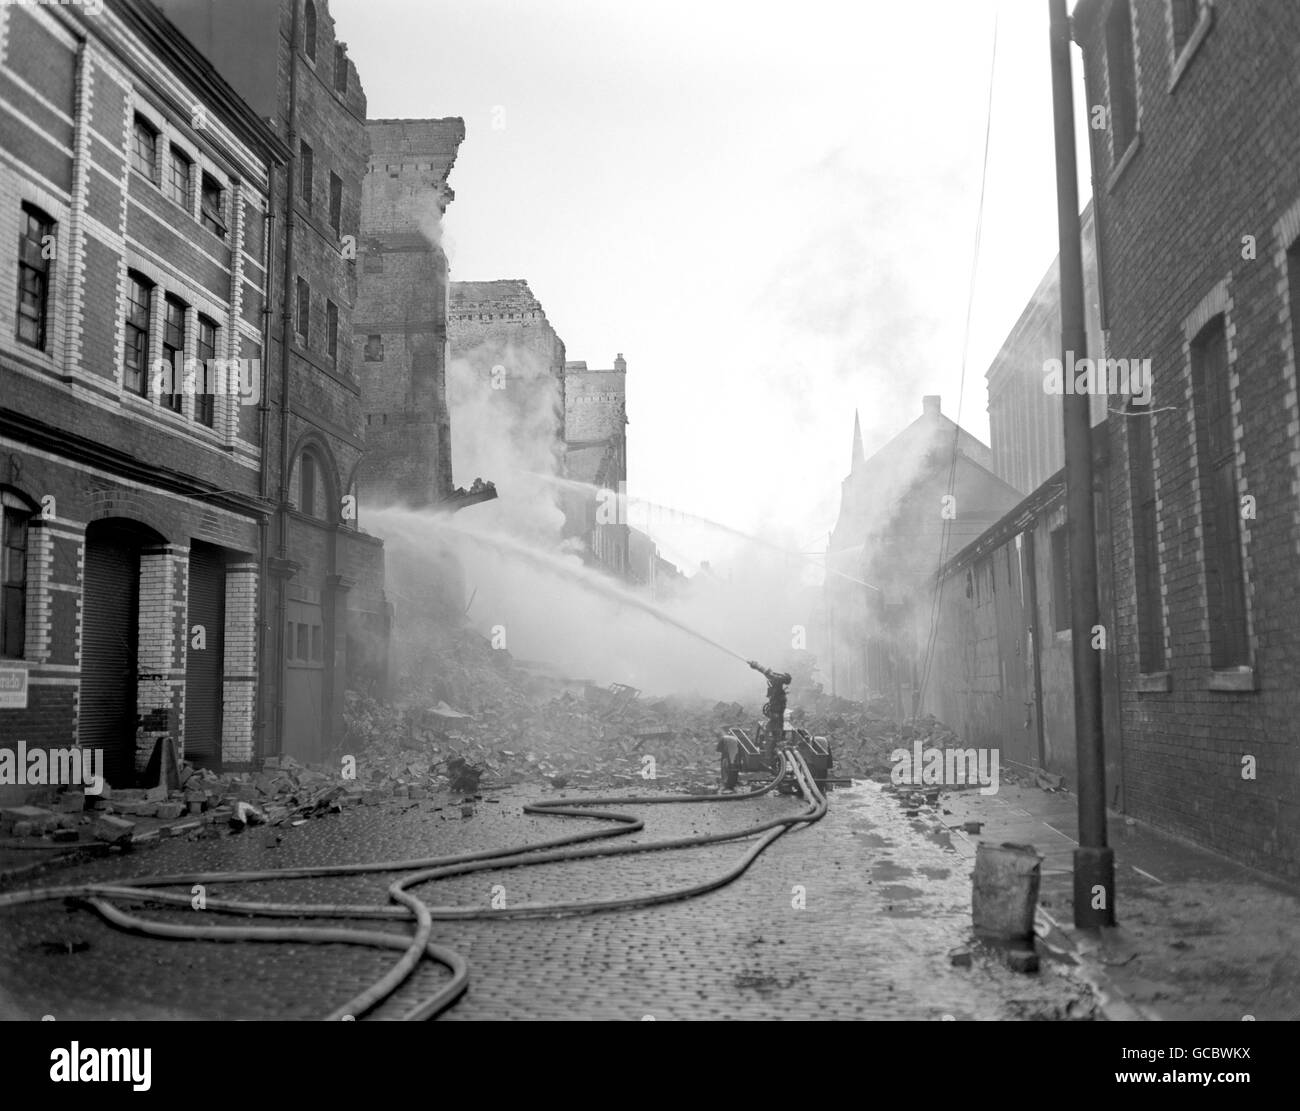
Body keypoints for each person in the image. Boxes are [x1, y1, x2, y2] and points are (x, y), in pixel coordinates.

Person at [747, 660, 792, 761]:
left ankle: (769, 759)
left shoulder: (777, 687)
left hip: (775, 718)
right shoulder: (780, 691)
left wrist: (757, 666)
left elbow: (770, 676)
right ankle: (776, 756)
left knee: (770, 735)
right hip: (778, 718)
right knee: (777, 735)